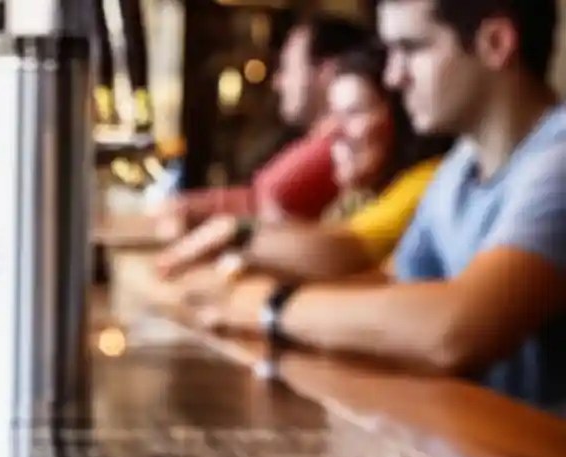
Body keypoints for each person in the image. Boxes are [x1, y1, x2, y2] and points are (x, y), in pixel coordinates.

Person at [202, 0, 566, 414]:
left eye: (411, 49)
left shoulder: (559, 158)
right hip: (490, 456)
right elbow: (390, 288)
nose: (393, 77)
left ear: (495, 43)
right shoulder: (461, 166)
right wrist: (233, 296)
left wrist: (273, 308)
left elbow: (457, 328)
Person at [156, 45, 454, 284]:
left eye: (354, 113)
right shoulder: (359, 197)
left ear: (402, 123)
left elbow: (342, 251)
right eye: (332, 114)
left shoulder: (425, 183)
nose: (331, 132)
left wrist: (237, 233)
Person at [127, 14, 372, 235]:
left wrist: (183, 209)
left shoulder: (338, 147)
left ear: (325, 72)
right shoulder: (322, 142)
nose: (278, 82)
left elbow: (268, 202)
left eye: (287, 67)